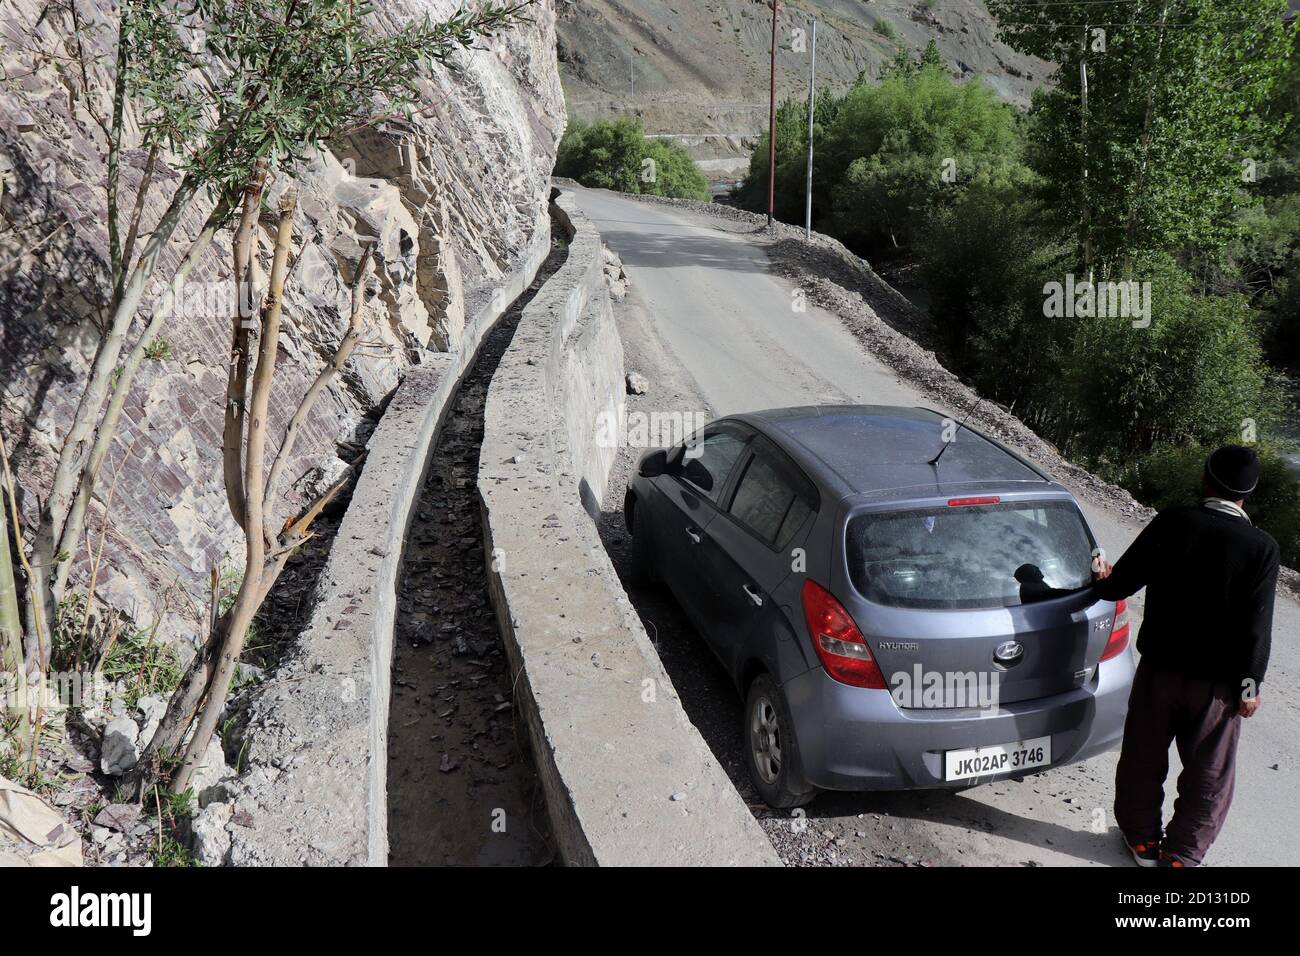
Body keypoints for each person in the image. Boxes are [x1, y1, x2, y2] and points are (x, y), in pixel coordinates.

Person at [1092, 445, 1279, 867]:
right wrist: (1249, 686)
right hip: (1219, 688)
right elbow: (1258, 627)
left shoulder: (1175, 522)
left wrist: (1103, 578)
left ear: (1206, 480)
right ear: (1247, 494)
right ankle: (1181, 857)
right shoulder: (1261, 548)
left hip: (1160, 670)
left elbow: (1120, 585)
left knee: (1144, 754)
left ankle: (1142, 843)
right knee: (1209, 773)